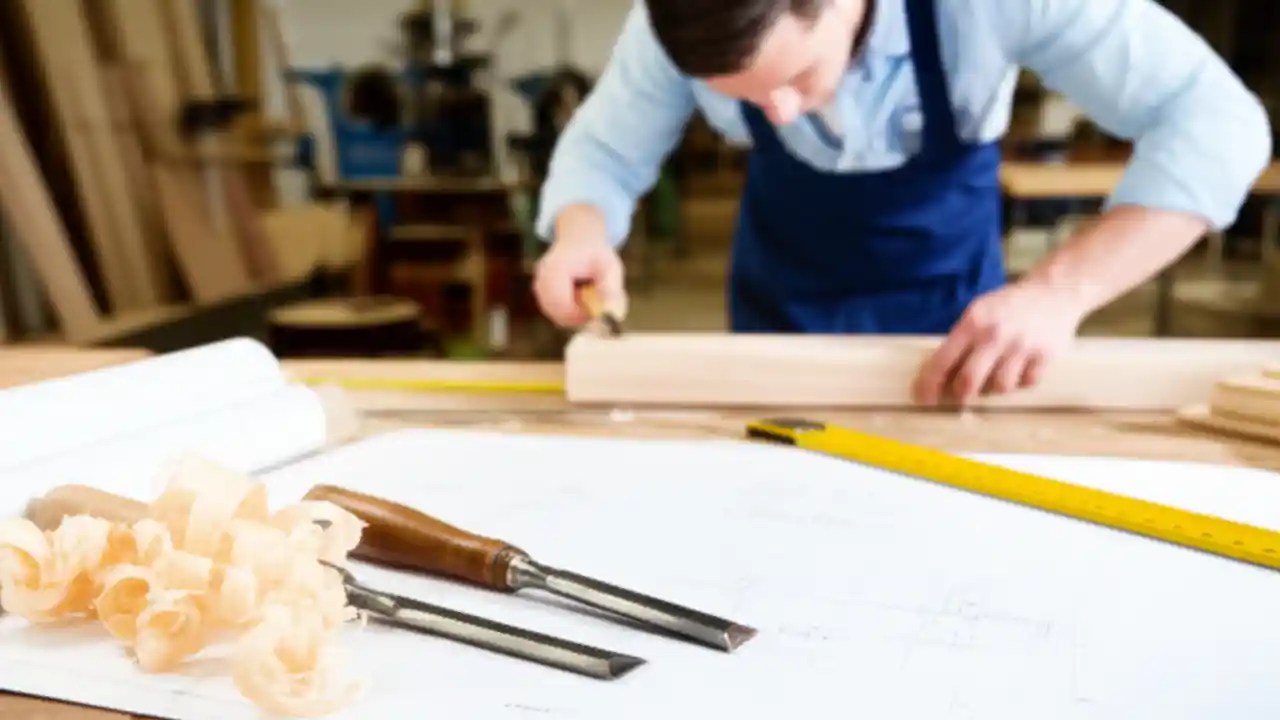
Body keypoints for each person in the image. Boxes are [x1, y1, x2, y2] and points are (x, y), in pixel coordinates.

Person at [530, 0, 1272, 405]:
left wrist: (1059, 293)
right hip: (776, 332)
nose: (779, 116)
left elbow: (1216, 123)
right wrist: (580, 231)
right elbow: (603, 152)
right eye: (748, 101)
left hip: (958, 338)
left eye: (799, 77)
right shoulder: (680, 22)